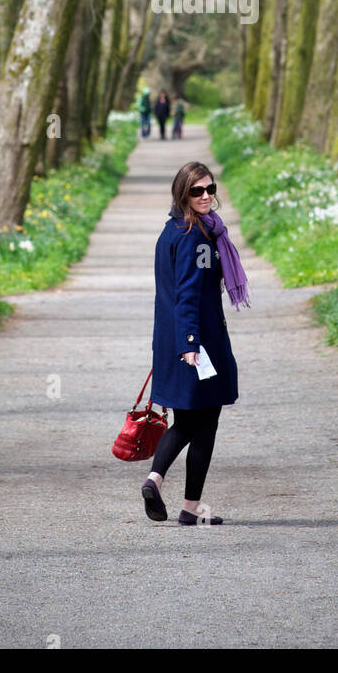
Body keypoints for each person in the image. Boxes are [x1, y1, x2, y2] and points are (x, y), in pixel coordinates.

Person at [142, 161, 251, 526]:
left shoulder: (173, 230)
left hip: (174, 339)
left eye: (210, 189)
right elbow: (187, 293)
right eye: (197, 190)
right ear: (182, 193)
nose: (206, 196)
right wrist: (191, 343)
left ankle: (163, 486)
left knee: (188, 422)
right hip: (197, 343)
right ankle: (183, 502)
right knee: (203, 424)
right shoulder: (194, 237)